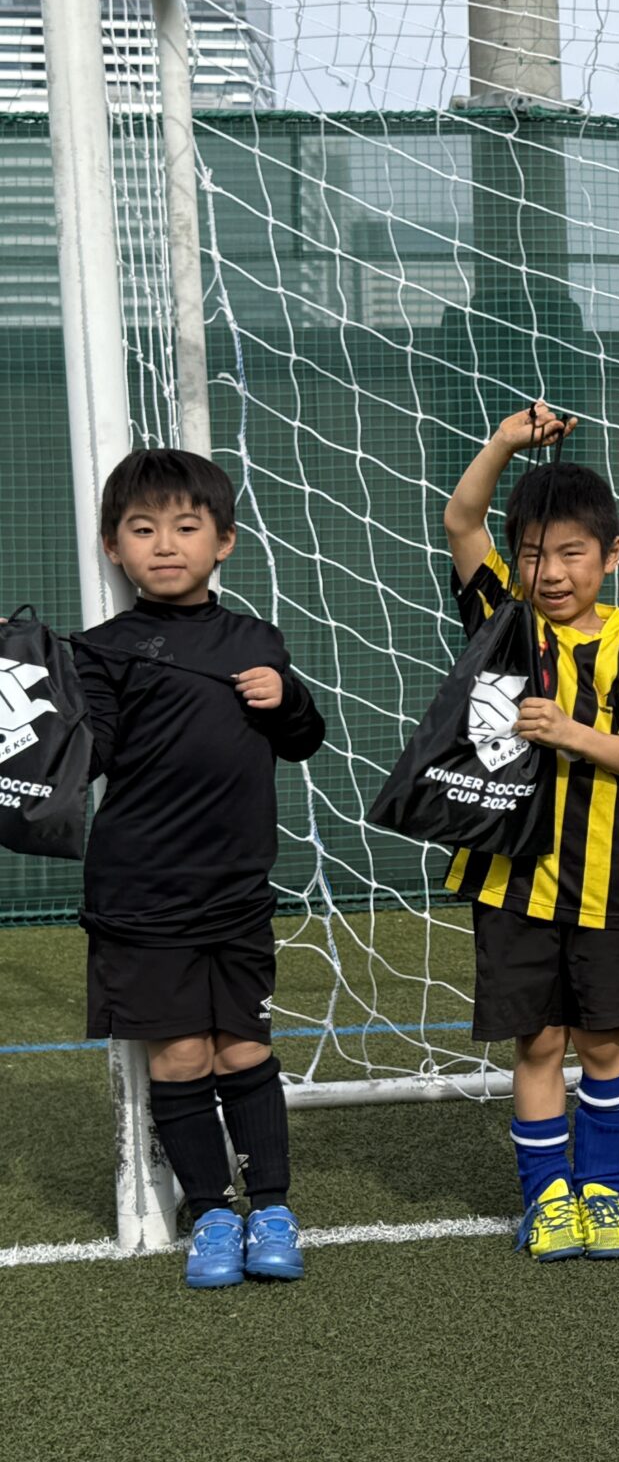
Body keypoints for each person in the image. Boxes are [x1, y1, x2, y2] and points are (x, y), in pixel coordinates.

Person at [73, 449, 326, 1288]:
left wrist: (287, 697)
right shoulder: (100, 651)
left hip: (237, 891)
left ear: (224, 541)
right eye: (142, 529)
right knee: (181, 1056)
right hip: (142, 896)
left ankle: (273, 1209)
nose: (165, 544)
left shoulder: (255, 639)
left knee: (245, 1047)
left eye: (186, 527)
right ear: (113, 546)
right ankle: (213, 1214)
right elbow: (88, 756)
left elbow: (303, 740)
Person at [443, 403, 619, 1260]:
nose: (551, 571)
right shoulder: (503, 622)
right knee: (538, 1042)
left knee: (605, 1045)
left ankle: (603, 1193)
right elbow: (460, 520)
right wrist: (506, 442)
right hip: (512, 882)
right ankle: (547, 1200)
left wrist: (572, 733)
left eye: (573, 553)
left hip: (606, 888)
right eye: (535, 553)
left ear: (611, 556)